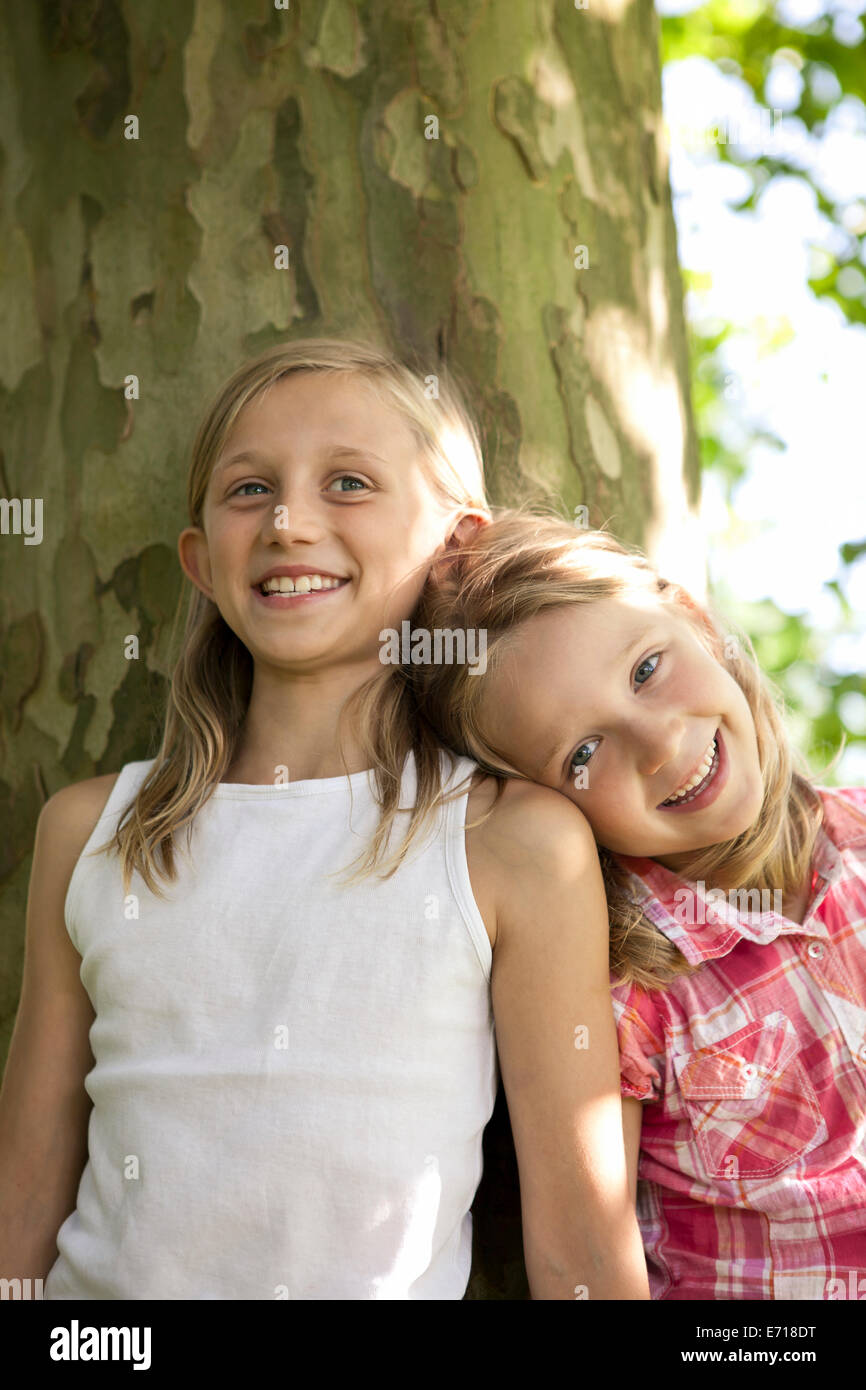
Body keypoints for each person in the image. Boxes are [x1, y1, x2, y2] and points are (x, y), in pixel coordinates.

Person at [0, 342, 649, 1300]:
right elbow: (23, 1194)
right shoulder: (92, 832)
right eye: (248, 491)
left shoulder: (512, 842)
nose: (290, 522)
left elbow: (582, 1248)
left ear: (455, 546)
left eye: (348, 482)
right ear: (201, 562)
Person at [411, 503, 866, 1300]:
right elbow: (583, 1268)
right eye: (583, 752)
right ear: (543, 809)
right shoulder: (623, 997)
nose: (658, 745)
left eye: (647, 669)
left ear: (690, 614)